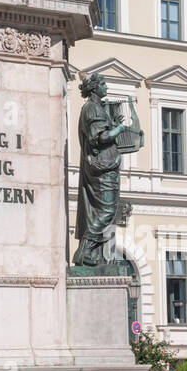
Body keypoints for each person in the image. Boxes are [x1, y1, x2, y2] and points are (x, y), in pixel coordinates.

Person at [72, 73, 125, 268]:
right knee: (106, 209)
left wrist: (114, 126)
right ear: (94, 88)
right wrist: (118, 129)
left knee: (103, 211)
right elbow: (100, 138)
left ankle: (93, 254)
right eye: (103, 84)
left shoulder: (98, 109)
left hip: (106, 165)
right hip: (102, 167)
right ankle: (84, 250)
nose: (106, 88)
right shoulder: (92, 109)